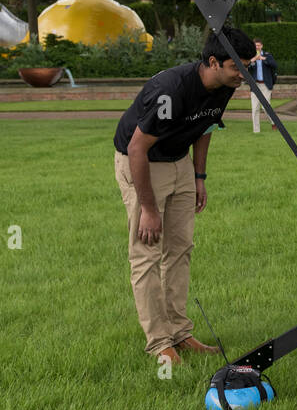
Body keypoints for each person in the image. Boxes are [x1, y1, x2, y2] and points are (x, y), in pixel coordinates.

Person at [112, 26, 256, 366]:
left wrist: (199, 176)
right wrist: (148, 208)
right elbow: (136, 148)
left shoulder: (225, 85)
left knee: (180, 249)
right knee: (147, 253)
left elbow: (205, 127)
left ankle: (179, 331)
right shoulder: (170, 92)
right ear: (213, 62)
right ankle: (159, 343)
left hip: (180, 163)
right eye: (238, 66)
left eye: (248, 65)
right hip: (144, 164)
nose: (245, 74)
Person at [249, 37, 278, 132]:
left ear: (262, 46)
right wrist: (253, 60)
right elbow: (245, 67)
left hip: (266, 85)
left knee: (266, 107)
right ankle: (256, 131)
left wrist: (262, 59)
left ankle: (274, 122)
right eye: (255, 46)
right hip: (255, 85)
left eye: (258, 45)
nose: (257, 47)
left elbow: (274, 65)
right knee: (255, 108)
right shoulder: (250, 56)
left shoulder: (267, 55)